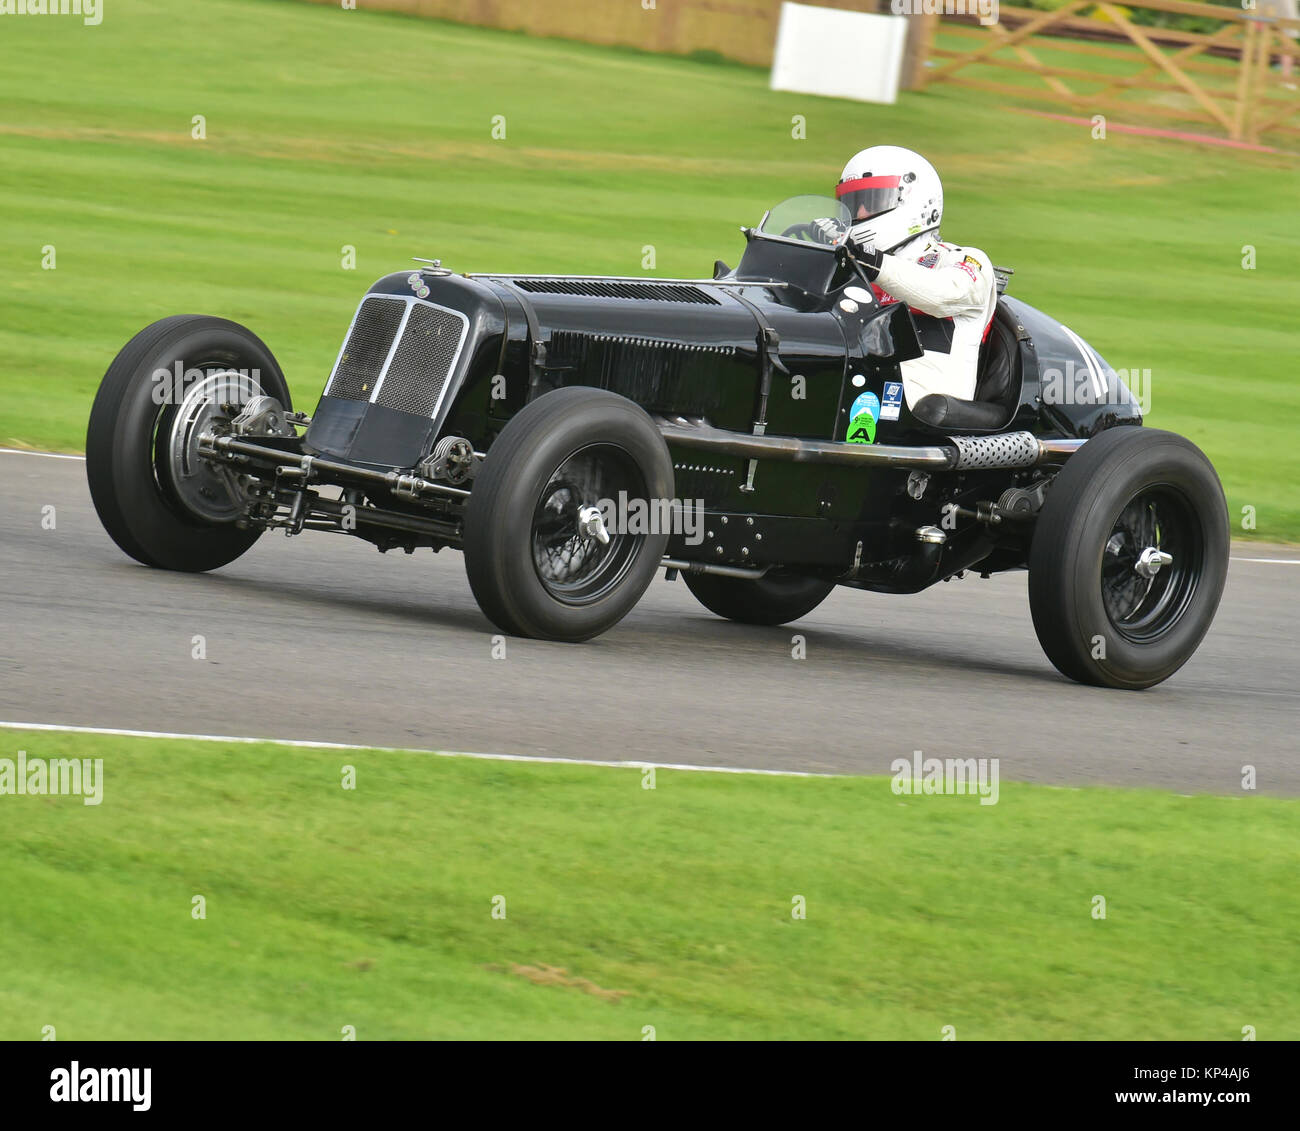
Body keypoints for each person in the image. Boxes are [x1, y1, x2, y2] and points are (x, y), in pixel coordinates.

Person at [836, 145, 996, 406]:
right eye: (853, 203)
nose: (860, 214)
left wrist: (875, 264)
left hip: (921, 414)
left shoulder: (965, 260)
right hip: (852, 390)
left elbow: (943, 294)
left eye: (872, 201)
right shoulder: (852, 263)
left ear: (917, 203)